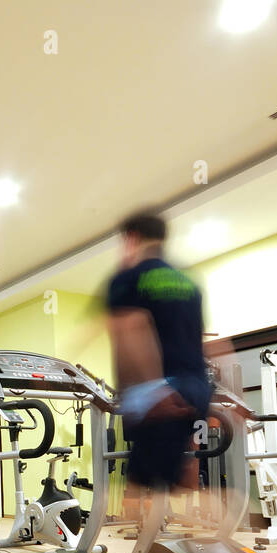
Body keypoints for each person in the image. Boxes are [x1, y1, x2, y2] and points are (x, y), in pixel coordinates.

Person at [105, 211, 211, 497]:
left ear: (131, 238)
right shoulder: (189, 283)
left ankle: (224, 513)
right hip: (195, 389)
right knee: (178, 479)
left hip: (161, 394)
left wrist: (156, 391)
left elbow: (133, 329)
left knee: (137, 491)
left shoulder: (128, 279)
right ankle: (217, 519)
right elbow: (202, 341)